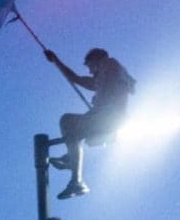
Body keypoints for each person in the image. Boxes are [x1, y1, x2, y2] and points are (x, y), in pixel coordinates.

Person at [44, 48, 136, 199]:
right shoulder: (102, 77)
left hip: (110, 116)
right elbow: (76, 79)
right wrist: (56, 61)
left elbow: (109, 82)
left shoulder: (109, 64)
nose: (90, 72)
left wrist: (100, 98)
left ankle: (76, 177)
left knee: (66, 121)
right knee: (72, 129)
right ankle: (71, 159)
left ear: (96, 61)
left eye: (90, 67)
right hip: (108, 118)